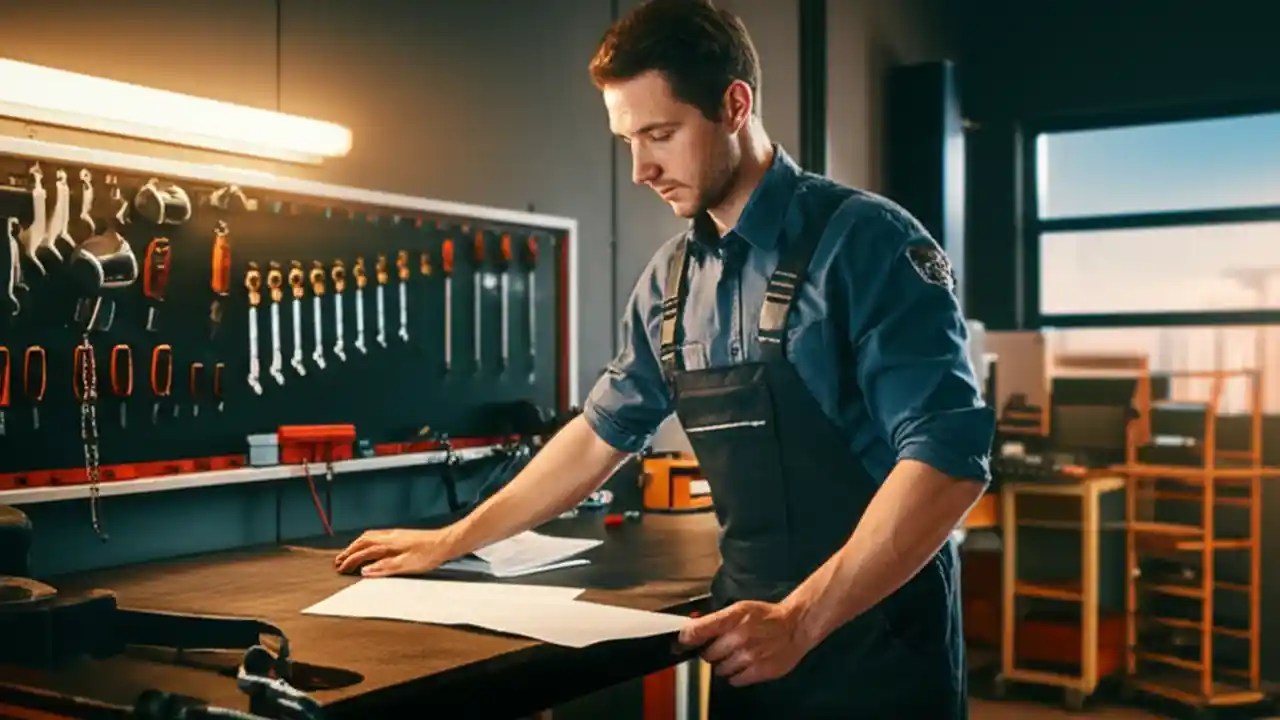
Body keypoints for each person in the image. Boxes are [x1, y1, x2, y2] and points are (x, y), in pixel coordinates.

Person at [334, 0, 995, 717]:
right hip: (748, 642)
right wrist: (451, 539)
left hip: (880, 648)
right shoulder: (669, 282)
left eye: (660, 134)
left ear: (735, 105)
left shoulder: (868, 244)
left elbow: (947, 462)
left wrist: (802, 619)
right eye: (627, 140)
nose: (640, 168)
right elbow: (599, 434)